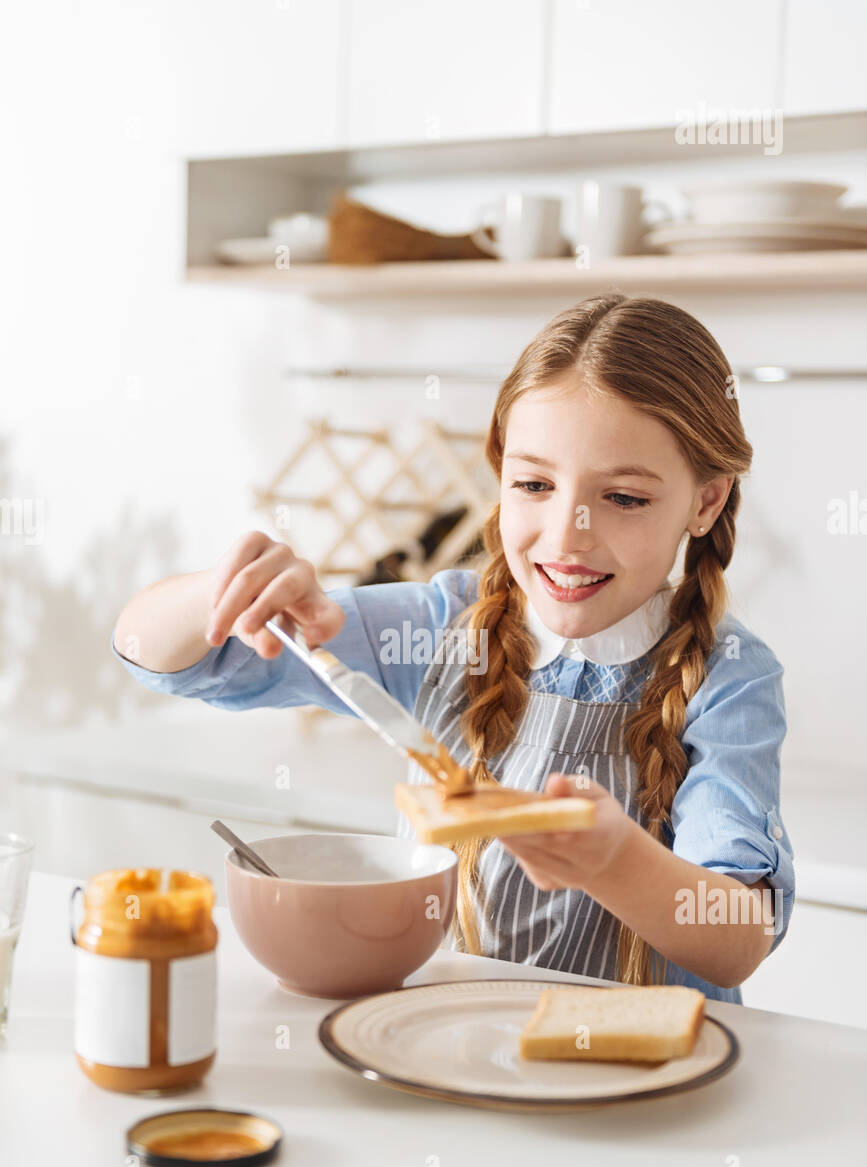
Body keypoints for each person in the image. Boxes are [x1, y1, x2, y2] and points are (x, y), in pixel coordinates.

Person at [112, 294, 795, 1004]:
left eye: (622, 498)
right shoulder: (442, 626)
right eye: (533, 484)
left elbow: (736, 937)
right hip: (449, 1049)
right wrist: (226, 589)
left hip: (643, 1094)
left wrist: (614, 859)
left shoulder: (729, 678)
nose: (566, 535)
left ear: (706, 501)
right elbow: (154, 650)